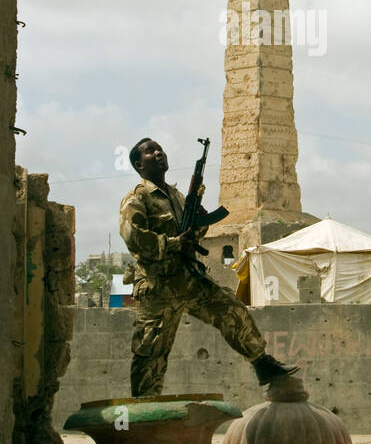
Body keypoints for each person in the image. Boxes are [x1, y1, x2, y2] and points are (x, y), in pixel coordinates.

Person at [119, 137, 299, 398]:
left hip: (189, 279)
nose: (158, 153)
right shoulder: (137, 198)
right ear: (139, 164)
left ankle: (262, 363)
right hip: (159, 287)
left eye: (160, 149)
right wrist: (173, 243)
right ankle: (143, 409)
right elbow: (134, 237)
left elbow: (195, 232)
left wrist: (199, 221)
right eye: (150, 152)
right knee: (151, 352)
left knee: (232, 310)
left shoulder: (178, 196)